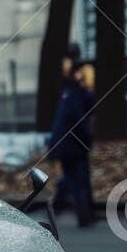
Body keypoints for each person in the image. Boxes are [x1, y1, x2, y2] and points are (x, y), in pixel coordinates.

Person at [47, 46, 97, 227]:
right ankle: (82, 215)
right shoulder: (72, 93)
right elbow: (78, 120)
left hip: (70, 145)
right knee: (77, 179)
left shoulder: (71, 92)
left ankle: (65, 206)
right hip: (71, 145)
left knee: (76, 178)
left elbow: (90, 104)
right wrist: (87, 139)